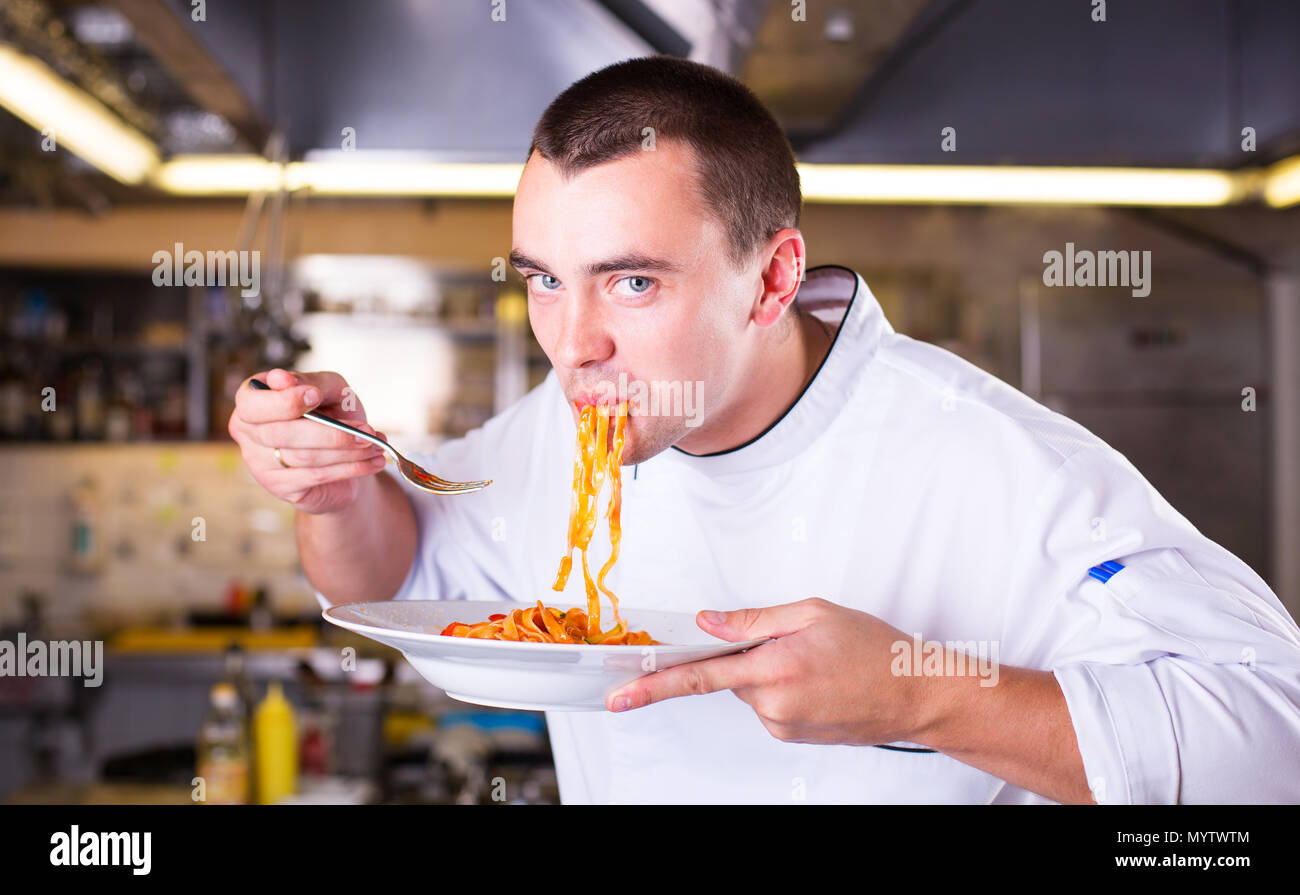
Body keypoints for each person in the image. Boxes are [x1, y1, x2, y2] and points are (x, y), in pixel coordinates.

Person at [228, 56, 1300, 804]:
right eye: (545, 282)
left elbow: (1272, 739)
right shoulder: (562, 421)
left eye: (632, 281)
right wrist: (336, 491)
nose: (573, 343)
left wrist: (921, 695)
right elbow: (407, 574)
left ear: (772, 277)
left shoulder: (997, 462)